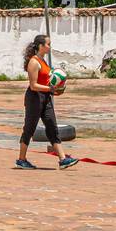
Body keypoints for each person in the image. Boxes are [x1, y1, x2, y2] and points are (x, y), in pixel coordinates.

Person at [16, 35, 79, 170]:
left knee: (52, 127)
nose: (50, 47)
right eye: (48, 44)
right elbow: (33, 85)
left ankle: (63, 159)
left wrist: (55, 90)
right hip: (34, 98)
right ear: (40, 46)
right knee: (29, 128)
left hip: (46, 98)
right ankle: (21, 159)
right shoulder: (34, 62)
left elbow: (47, 81)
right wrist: (51, 88)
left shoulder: (43, 61)